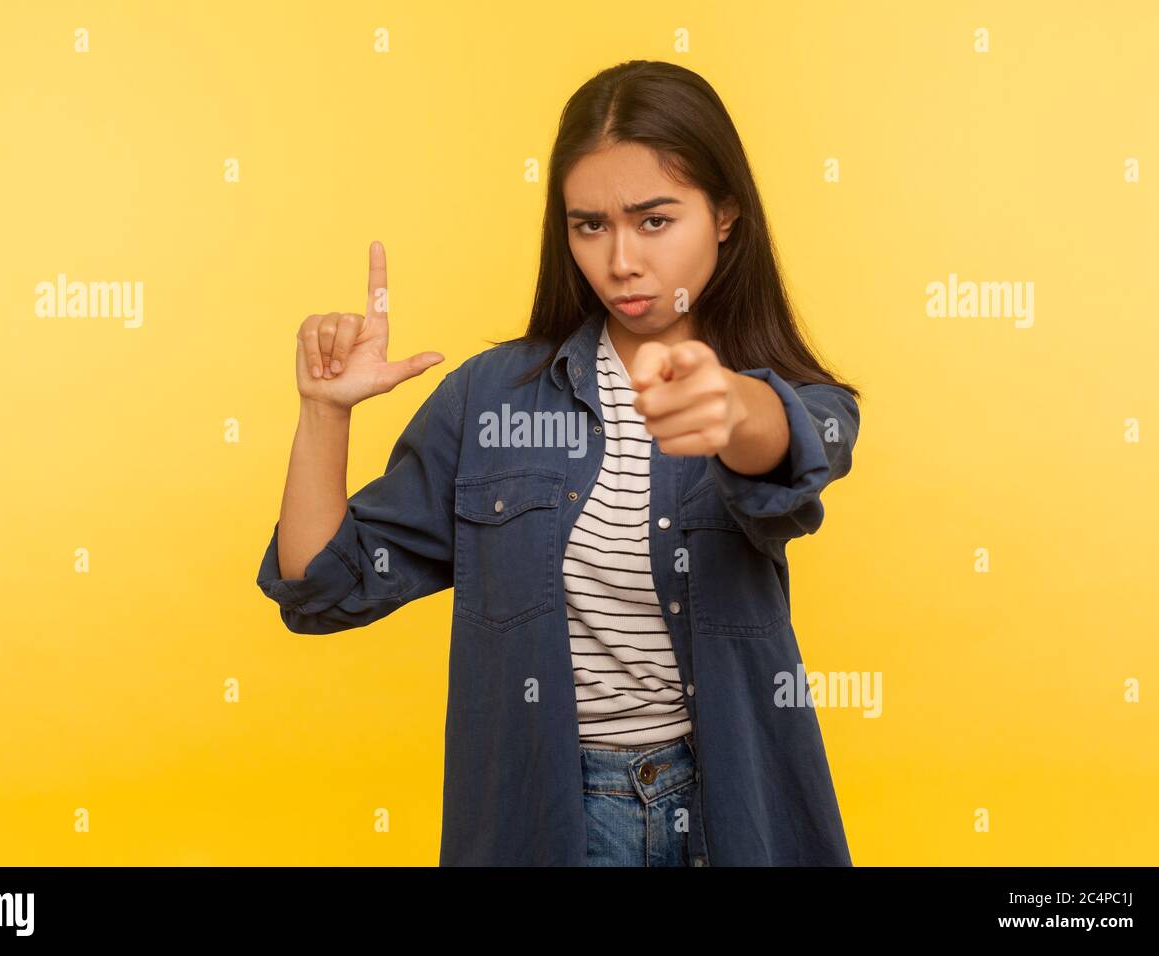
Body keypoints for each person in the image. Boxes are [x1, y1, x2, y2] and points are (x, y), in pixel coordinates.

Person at [257, 59, 862, 866]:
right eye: (590, 225)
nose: (620, 261)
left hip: (731, 809)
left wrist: (730, 407)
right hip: (550, 817)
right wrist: (324, 411)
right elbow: (321, 588)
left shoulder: (784, 397)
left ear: (724, 216)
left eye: (654, 220)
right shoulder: (492, 399)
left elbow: (788, 446)